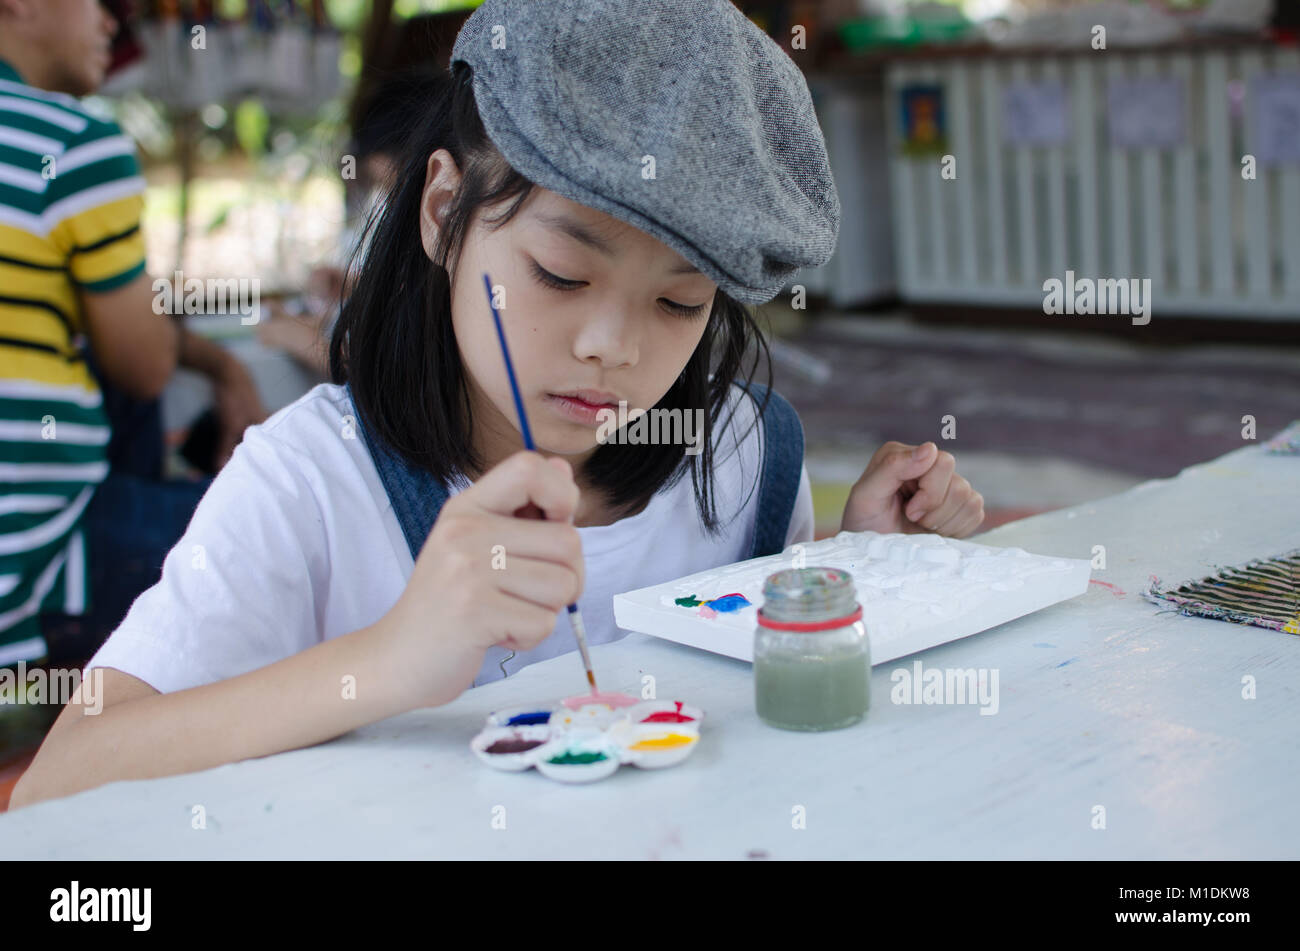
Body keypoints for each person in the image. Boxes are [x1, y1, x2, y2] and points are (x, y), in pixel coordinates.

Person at [11, 0, 984, 809]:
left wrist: (851, 573)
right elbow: (65, 777)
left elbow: (751, 723)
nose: (611, 345)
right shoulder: (311, 481)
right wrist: (391, 658)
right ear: (443, 213)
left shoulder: (739, 456)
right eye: (561, 274)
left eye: (679, 301)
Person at [0, 0, 267, 672]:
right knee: (280, 533)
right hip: (31, 577)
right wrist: (223, 366)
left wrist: (215, 364)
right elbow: (146, 365)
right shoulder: (69, 144)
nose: (115, 23)